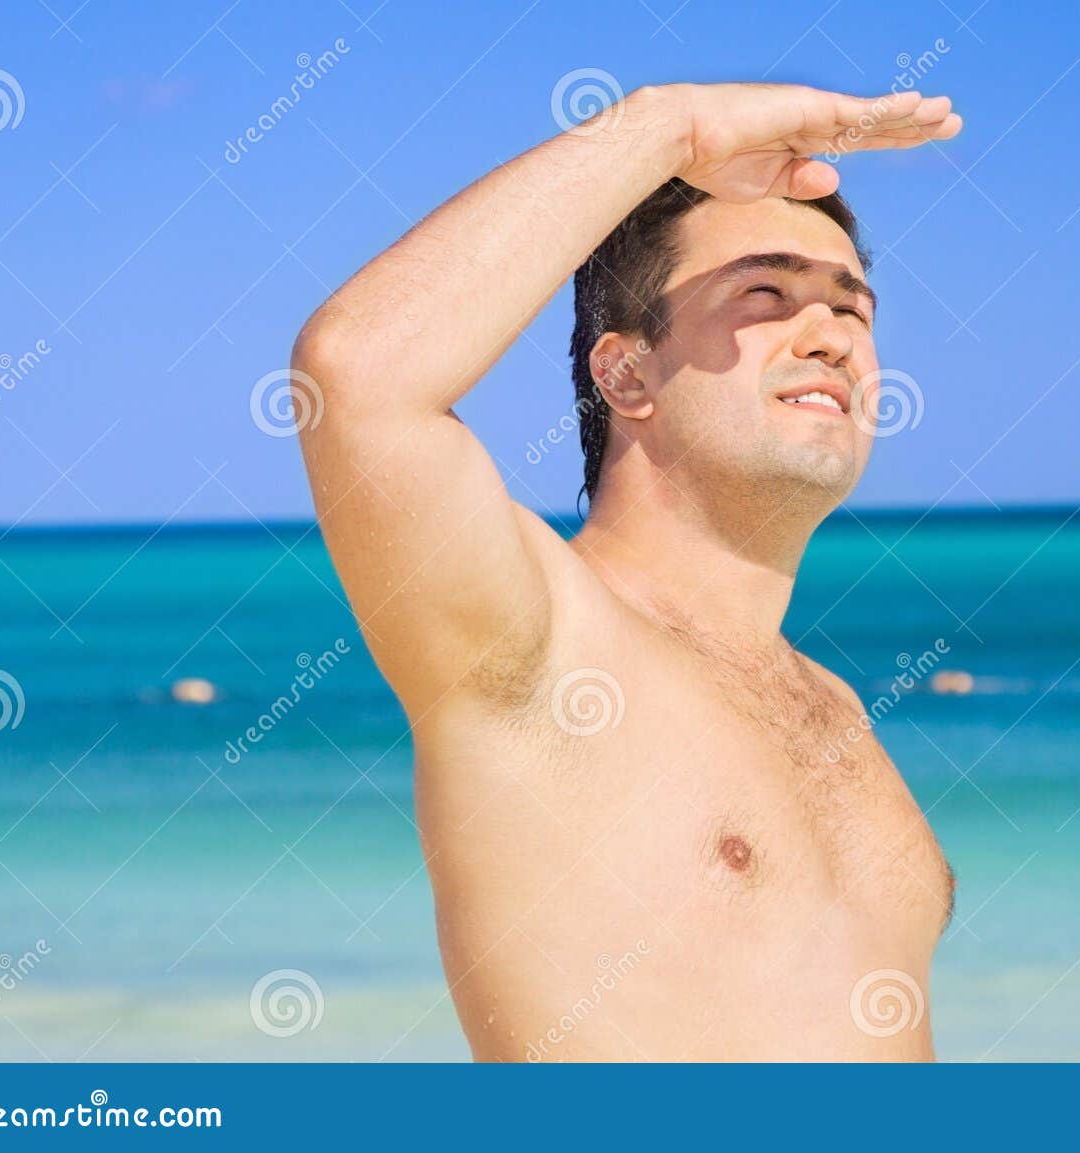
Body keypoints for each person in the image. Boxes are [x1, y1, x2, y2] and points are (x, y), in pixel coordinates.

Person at [292, 81, 963, 1060]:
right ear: (625, 373)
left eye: (849, 307)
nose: (830, 334)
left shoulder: (838, 711)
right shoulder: (543, 640)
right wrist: (668, 128)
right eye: (765, 294)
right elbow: (354, 377)